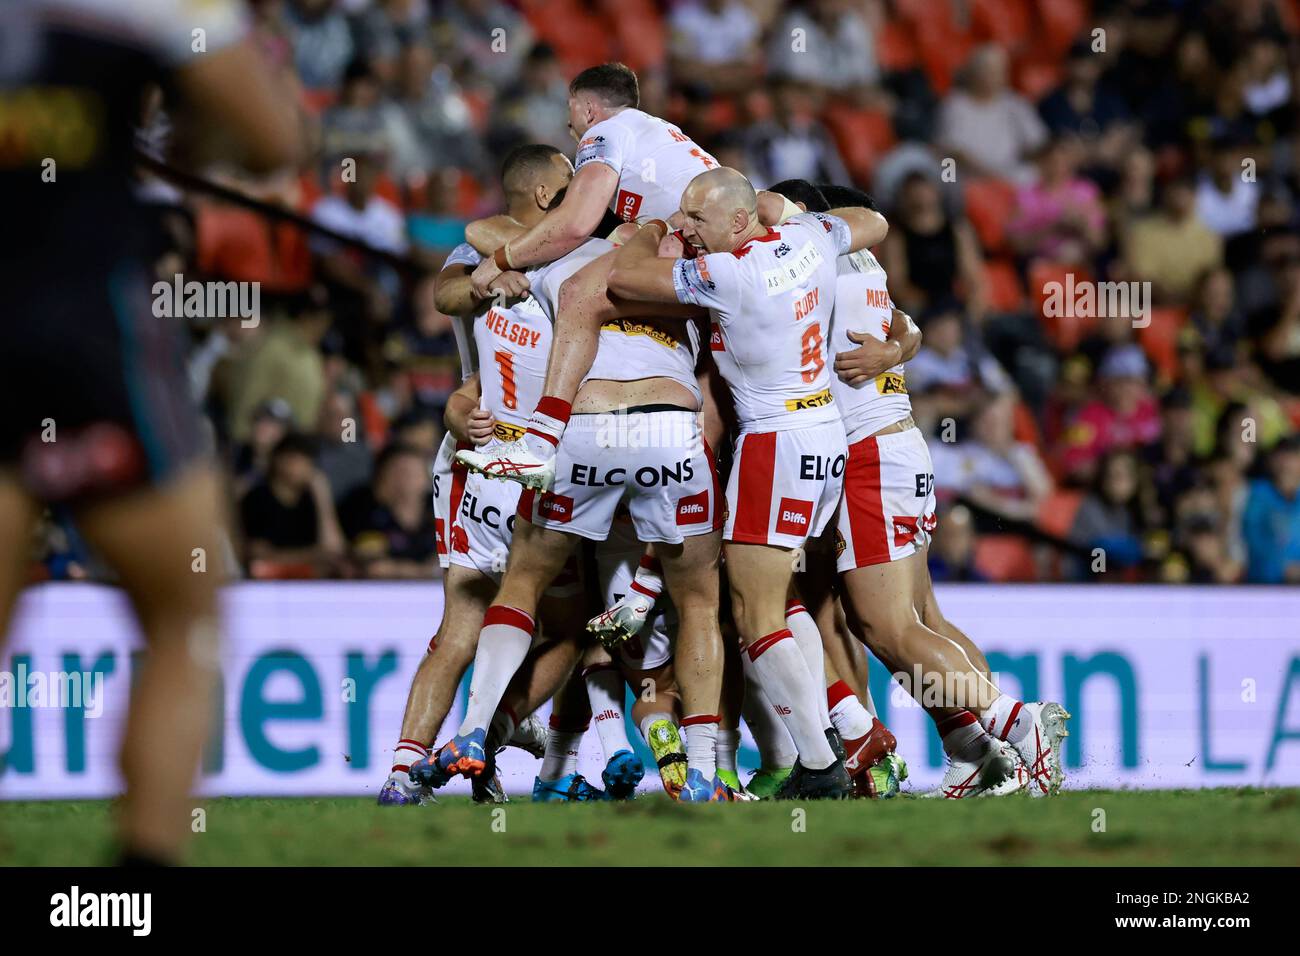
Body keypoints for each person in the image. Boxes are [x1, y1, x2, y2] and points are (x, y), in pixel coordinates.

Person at [0, 0, 300, 865]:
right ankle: (136, 881)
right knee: (181, 617)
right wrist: (187, 138)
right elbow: (272, 140)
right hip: (80, 320)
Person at [601, 167, 895, 798]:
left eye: (696, 219)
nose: (686, 228)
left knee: (754, 613)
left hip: (772, 440)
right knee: (782, 601)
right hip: (822, 433)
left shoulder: (728, 275)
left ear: (739, 222)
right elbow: (874, 222)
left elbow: (622, 279)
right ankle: (844, 730)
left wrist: (646, 230)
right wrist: (784, 211)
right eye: (680, 215)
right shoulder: (809, 239)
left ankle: (819, 765)